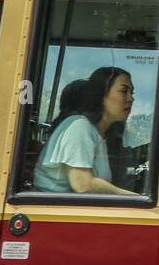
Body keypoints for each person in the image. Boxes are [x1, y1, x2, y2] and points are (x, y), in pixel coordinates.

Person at [32, 67, 138, 195]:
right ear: (101, 95)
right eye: (123, 91)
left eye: (132, 93)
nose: (130, 99)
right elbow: (82, 185)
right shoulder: (79, 127)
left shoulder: (98, 134)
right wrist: (134, 198)